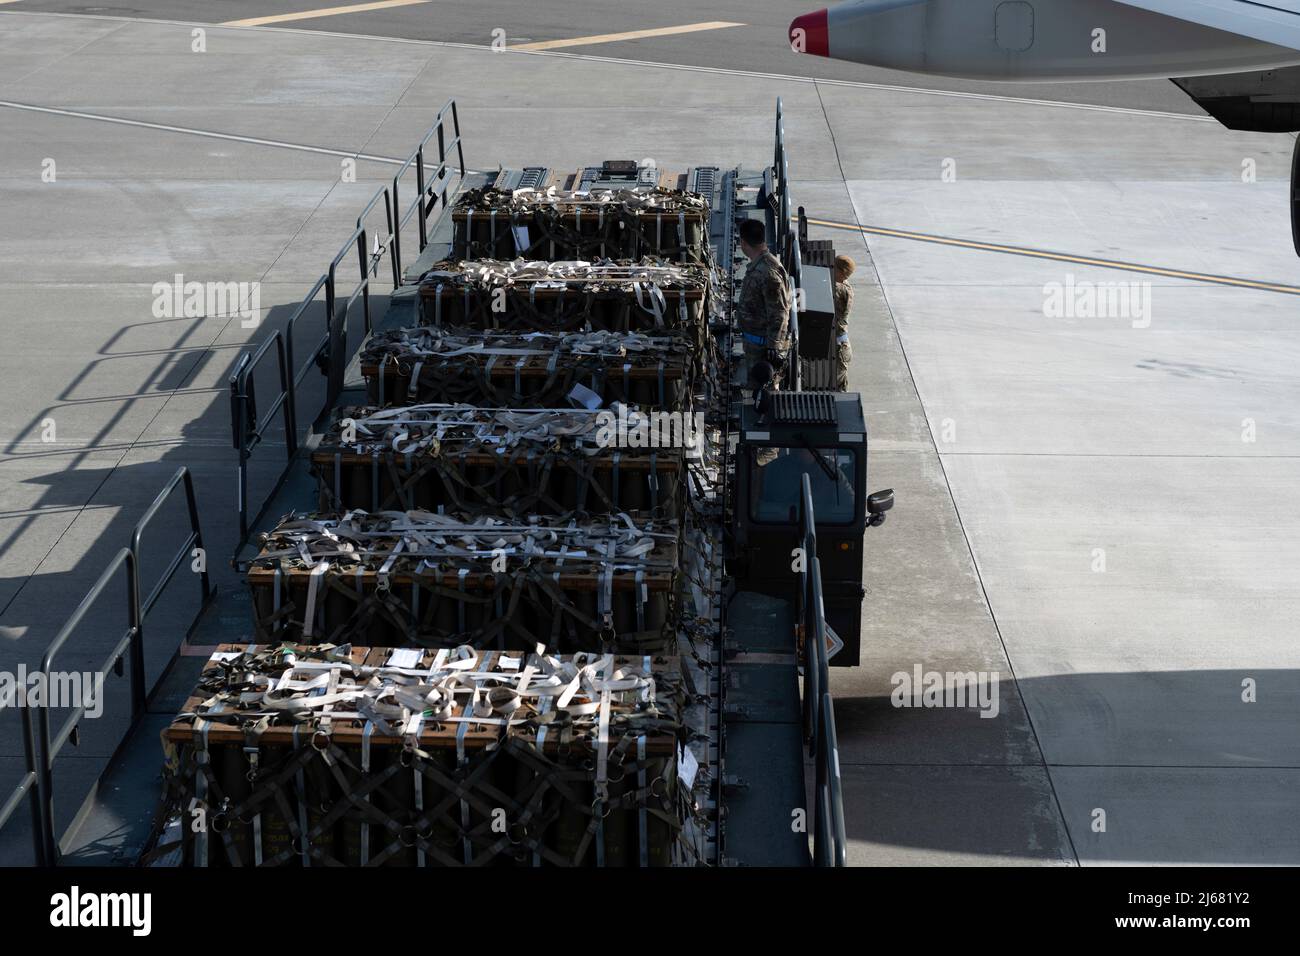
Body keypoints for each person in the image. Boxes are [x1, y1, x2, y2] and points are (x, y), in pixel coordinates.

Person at [735, 219, 792, 389]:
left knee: (763, 391)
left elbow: (779, 312)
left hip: (762, 349)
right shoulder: (762, 264)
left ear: (743, 243)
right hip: (757, 344)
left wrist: (773, 347)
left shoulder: (767, 273)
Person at [833, 254, 856, 391]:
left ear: (842, 272)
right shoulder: (843, 285)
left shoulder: (841, 290)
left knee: (837, 389)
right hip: (839, 344)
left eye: (834, 267)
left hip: (840, 348)